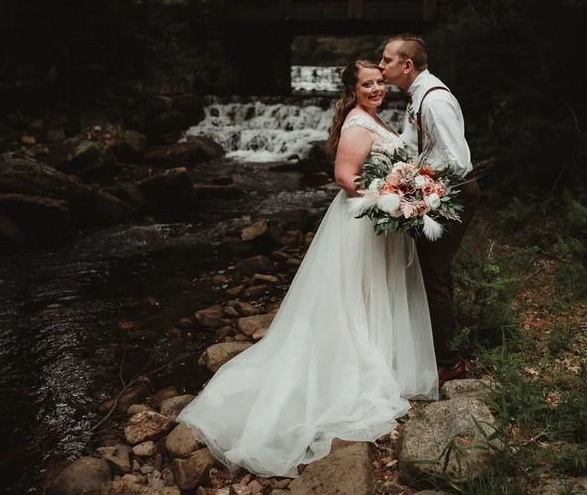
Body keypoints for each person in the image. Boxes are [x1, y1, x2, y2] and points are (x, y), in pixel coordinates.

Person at [176, 60, 438, 478]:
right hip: (362, 221)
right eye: (366, 84)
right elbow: (343, 175)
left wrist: (406, 190)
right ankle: (351, 365)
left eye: (379, 83)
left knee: (372, 291)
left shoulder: (373, 118)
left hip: (379, 220)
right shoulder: (357, 123)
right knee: (355, 293)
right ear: (352, 90)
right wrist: (392, 197)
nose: (376, 89)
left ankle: (380, 352)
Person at [379, 34, 481, 385]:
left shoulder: (434, 101)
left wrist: (420, 187)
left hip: (452, 193)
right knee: (433, 271)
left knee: (431, 275)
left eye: (386, 60)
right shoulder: (417, 96)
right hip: (435, 190)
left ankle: (448, 362)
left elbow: (457, 160)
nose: (381, 66)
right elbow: (411, 145)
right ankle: (439, 348)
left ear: (406, 65)